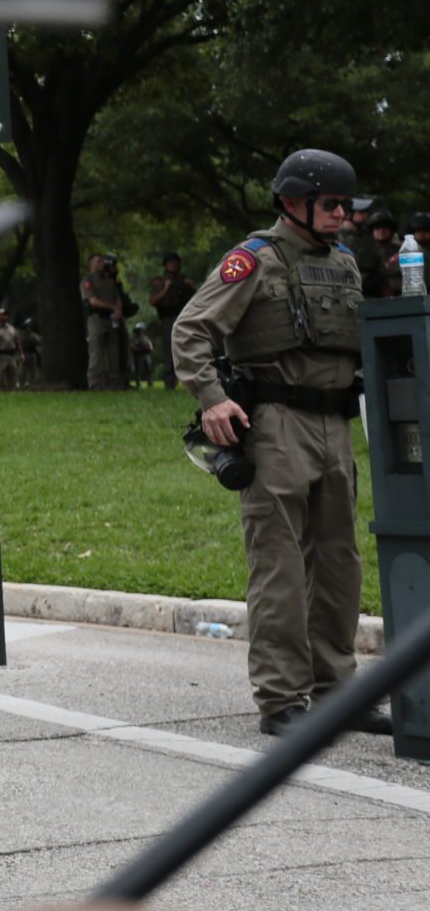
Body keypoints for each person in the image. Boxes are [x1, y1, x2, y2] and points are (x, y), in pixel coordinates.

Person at [171, 148, 388, 737]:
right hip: (276, 425)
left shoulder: (344, 263)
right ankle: (282, 700)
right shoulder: (255, 260)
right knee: (280, 567)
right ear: (294, 202)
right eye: (332, 203)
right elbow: (191, 328)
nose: (343, 213)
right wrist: (213, 399)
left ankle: (339, 694)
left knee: (340, 563)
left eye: (347, 204)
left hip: (336, 427)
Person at [149, 253, 196, 389]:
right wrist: (166, 288)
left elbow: (198, 298)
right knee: (170, 350)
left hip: (185, 317)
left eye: (175, 262)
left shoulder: (185, 279)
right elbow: (152, 300)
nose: (173, 265)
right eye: (170, 262)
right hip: (168, 318)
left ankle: (191, 380)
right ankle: (170, 381)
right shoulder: (160, 281)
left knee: (189, 348)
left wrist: (191, 287)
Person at [82, 253, 125, 389]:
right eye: (99, 261)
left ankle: (114, 381)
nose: (102, 263)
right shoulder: (88, 280)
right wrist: (113, 308)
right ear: (91, 264)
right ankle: (96, 382)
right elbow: (93, 301)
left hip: (111, 319)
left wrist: (118, 310)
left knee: (112, 351)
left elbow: (117, 296)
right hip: (97, 318)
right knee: (97, 350)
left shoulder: (109, 280)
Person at [358, 209, 401, 298]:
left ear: (391, 230)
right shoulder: (364, 251)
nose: (381, 231)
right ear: (372, 231)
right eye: (377, 228)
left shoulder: (401, 249)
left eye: (385, 228)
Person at [0, 308, 23, 392]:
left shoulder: (12, 328)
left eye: (6, 315)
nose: (5, 316)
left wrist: (21, 353)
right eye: (3, 315)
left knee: (13, 374)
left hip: (11, 355)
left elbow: (17, 342)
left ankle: (11, 391)